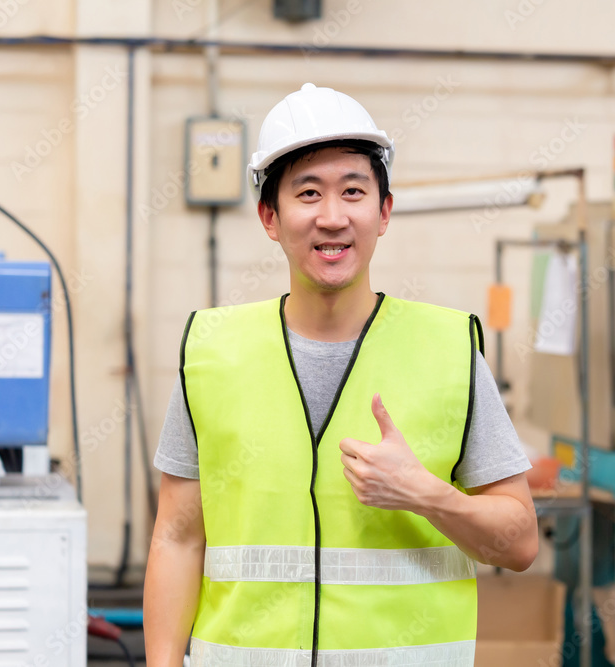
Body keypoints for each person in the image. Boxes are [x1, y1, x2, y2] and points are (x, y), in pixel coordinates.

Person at [144, 83, 538, 667]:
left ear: (383, 212)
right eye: (308, 193)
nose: (332, 217)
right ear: (269, 217)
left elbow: (520, 543)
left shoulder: (449, 350)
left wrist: (426, 495)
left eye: (353, 191)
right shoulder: (214, 353)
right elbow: (178, 539)